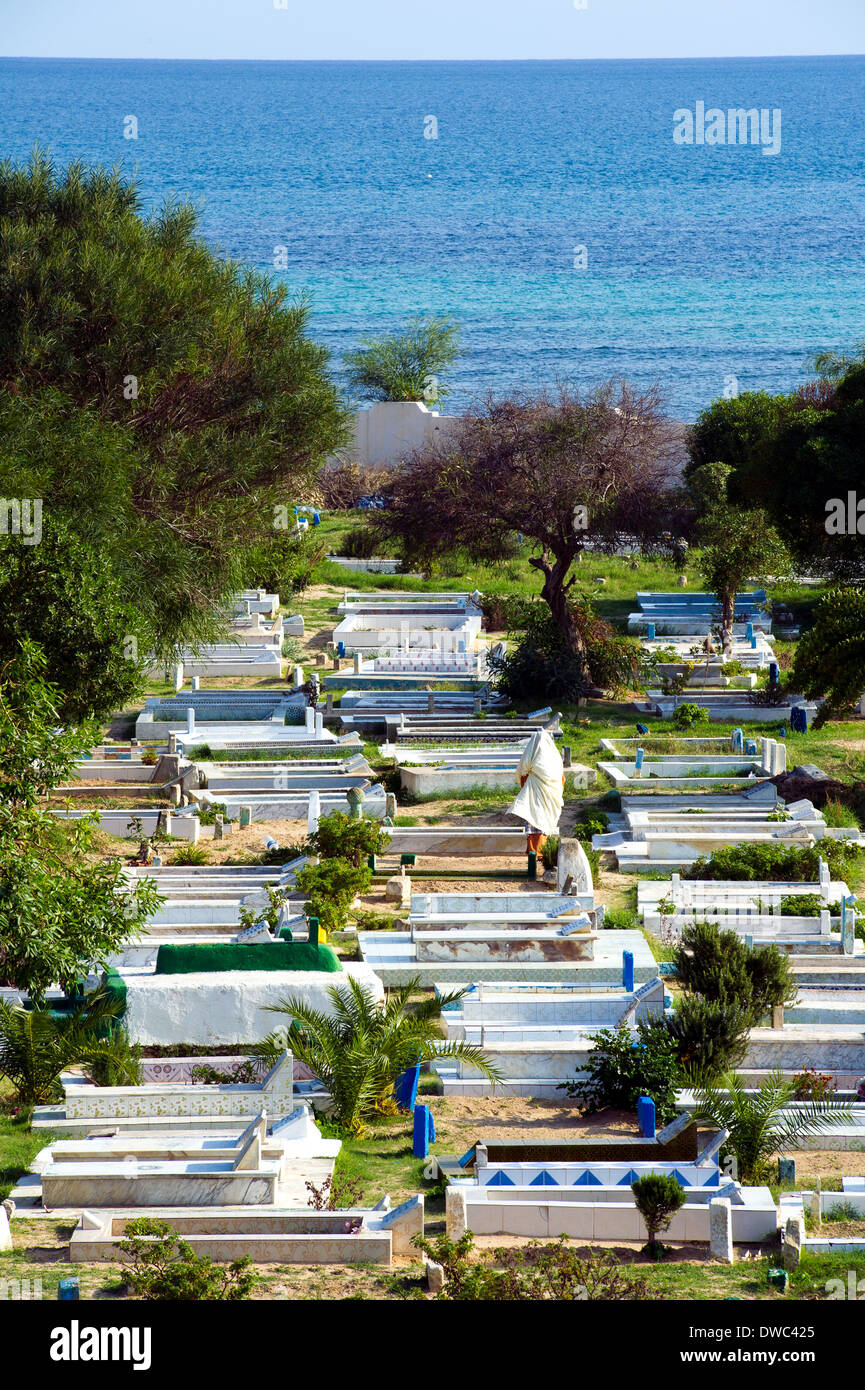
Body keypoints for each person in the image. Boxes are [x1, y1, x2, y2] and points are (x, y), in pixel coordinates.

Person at [509, 728, 565, 857]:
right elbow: (562, 778)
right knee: (543, 822)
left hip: (535, 794)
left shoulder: (533, 756)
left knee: (536, 821)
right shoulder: (555, 758)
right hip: (551, 795)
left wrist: (525, 781)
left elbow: (523, 770)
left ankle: (536, 851)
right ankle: (538, 850)